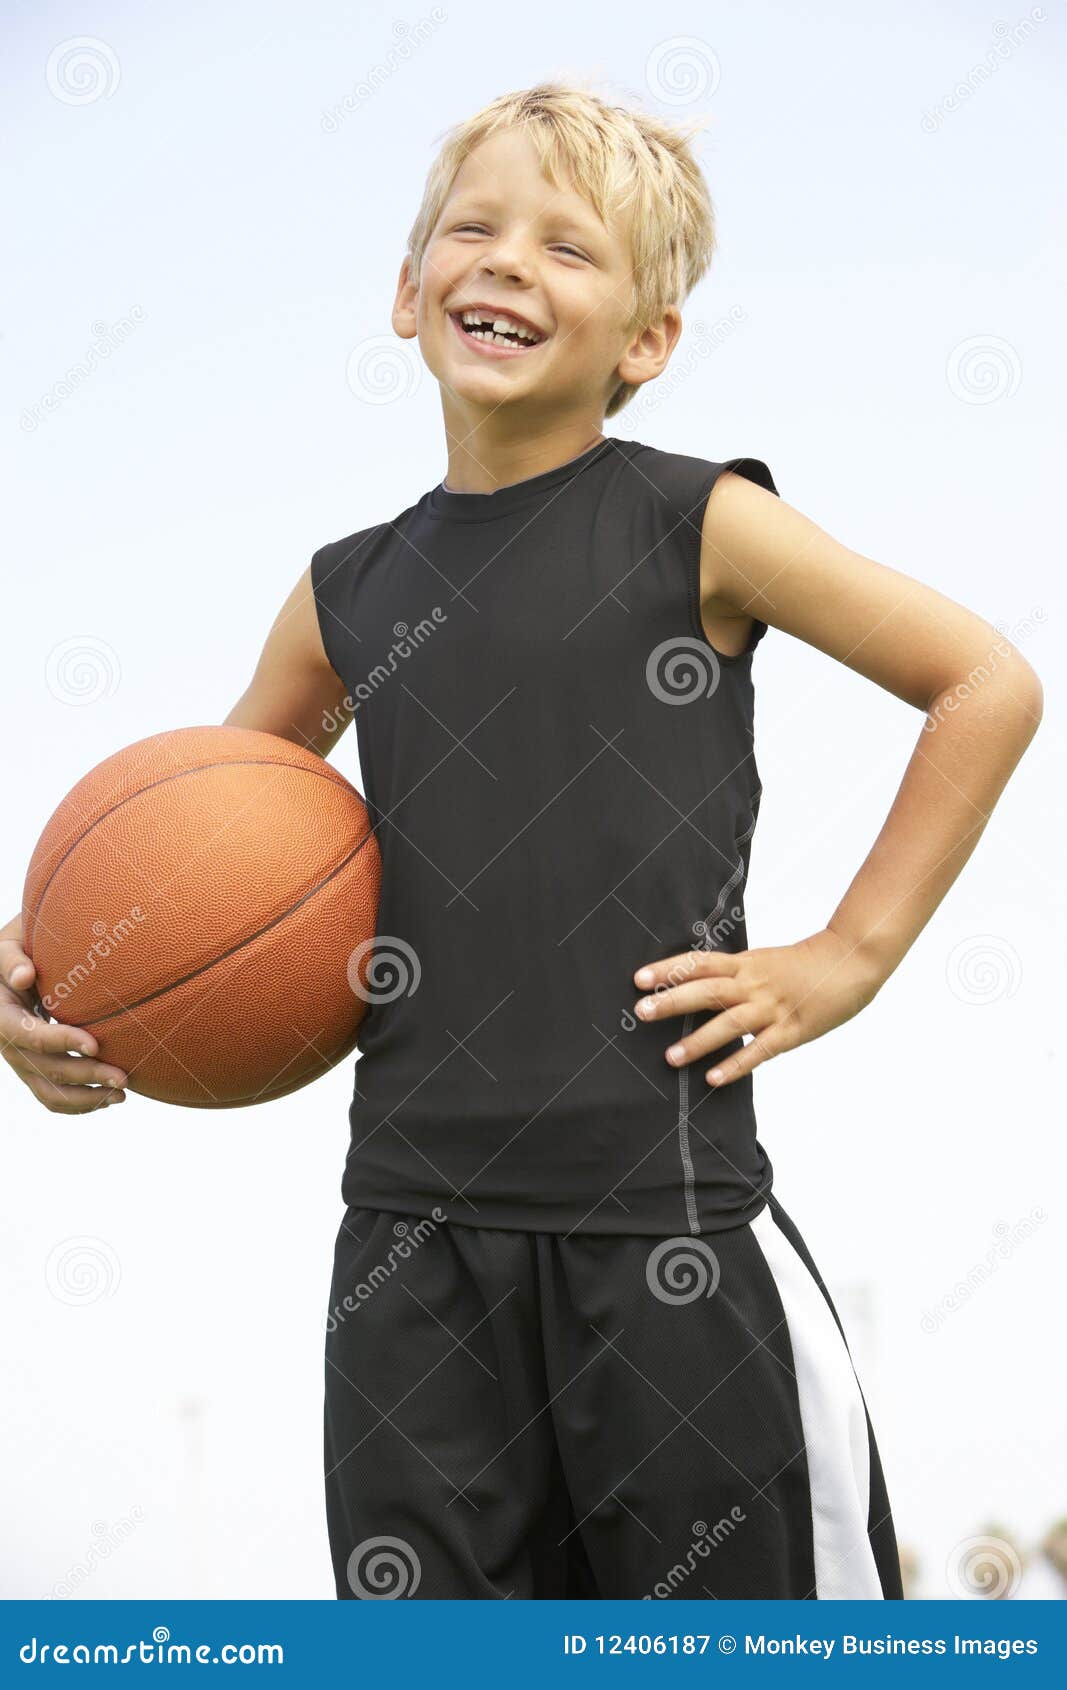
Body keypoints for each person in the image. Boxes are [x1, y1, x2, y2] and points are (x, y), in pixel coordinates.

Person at [0, 83, 1043, 1600]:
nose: (504, 261)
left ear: (647, 341)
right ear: (409, 285)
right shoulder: (345, 593)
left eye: (567, 246)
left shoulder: (701, 524)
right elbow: (192, 858)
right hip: (409, 1255)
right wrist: (60, 992)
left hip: (669, 1227)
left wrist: (847, 956)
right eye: (472, 228)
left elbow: (985, 680)